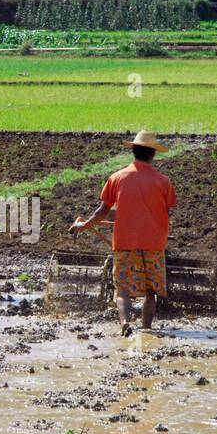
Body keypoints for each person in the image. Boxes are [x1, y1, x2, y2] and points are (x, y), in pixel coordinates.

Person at [69, 130, 176, 335]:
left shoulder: (117, 177)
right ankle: (146, 329)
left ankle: (124, 323)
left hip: (125, 242)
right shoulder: (164, 181)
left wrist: (83, 226)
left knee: (122, 290)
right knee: (151, 291)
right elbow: (166, 212)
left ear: (133, 151)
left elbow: (102, 212)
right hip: (154, 243)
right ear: (153, 154)